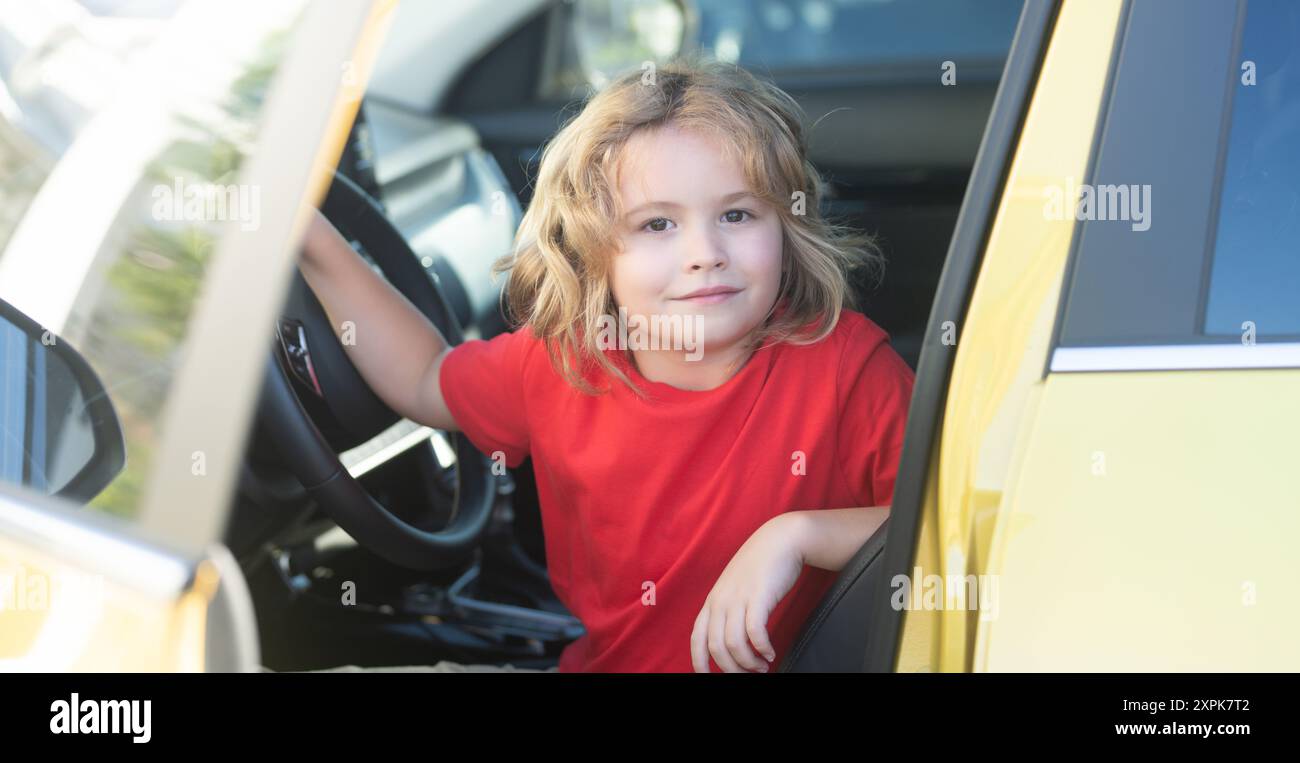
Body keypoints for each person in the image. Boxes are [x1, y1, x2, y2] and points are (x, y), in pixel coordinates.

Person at [298, 56, 914, 673]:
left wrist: (797, 536)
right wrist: (313, 242)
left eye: (737, 214)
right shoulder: (568, 362)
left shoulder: (847, 370)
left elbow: (949, 530)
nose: (704, 253)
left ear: (786, 226)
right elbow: (426, 378)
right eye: (657, 224)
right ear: (597, 255)